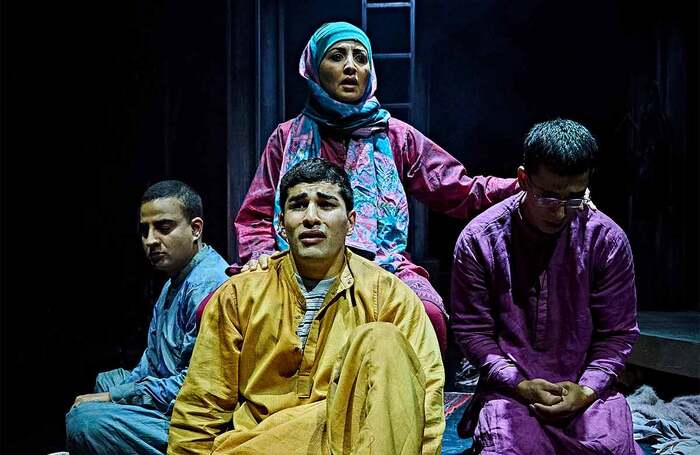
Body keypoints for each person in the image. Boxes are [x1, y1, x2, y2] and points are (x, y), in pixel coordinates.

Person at [233, 21, 520, 353]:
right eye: (337, 56)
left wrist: (526, 187)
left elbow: (460, 190)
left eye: (361, 57)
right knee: (224, 307)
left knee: (427, 315)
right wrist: (259, 256)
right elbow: (255, 213)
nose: (351, 66)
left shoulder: (394, 136)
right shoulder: (286, 137)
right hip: (297, 261)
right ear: (314, 68)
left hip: (379, 263)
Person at [168, 158, 444, 454]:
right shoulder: (239, 295)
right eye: (299, 205)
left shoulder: (389, 297)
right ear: (281, 224)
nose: (311, 217)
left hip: (352, 444)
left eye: (326, 205)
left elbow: (424, 403)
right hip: (259, 445)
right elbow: (200, 407)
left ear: (350, 221)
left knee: (382, 340)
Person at [450, 118, 642, 454]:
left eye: (574, 198)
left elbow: (618, 334)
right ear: (523, 179)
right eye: (549, 197)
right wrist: (519, 384)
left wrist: (587, 389)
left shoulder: (607, 240)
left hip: (586, 389)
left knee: (609, 446)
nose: (559, 213)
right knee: (509, 448)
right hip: (511, 391)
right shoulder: (479, 240)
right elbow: (473, 332)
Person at [65, 180, 229, 454]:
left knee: (84, 420)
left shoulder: (210, 285)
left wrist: (112, 399)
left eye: (164, 228)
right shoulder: (171, 284)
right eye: (145, 230)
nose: (151, 240)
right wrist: (113, 394)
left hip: (191, 419)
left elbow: (197, 385)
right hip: (165, 398)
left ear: (195, 229)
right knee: (108, 379)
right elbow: (150, 363)